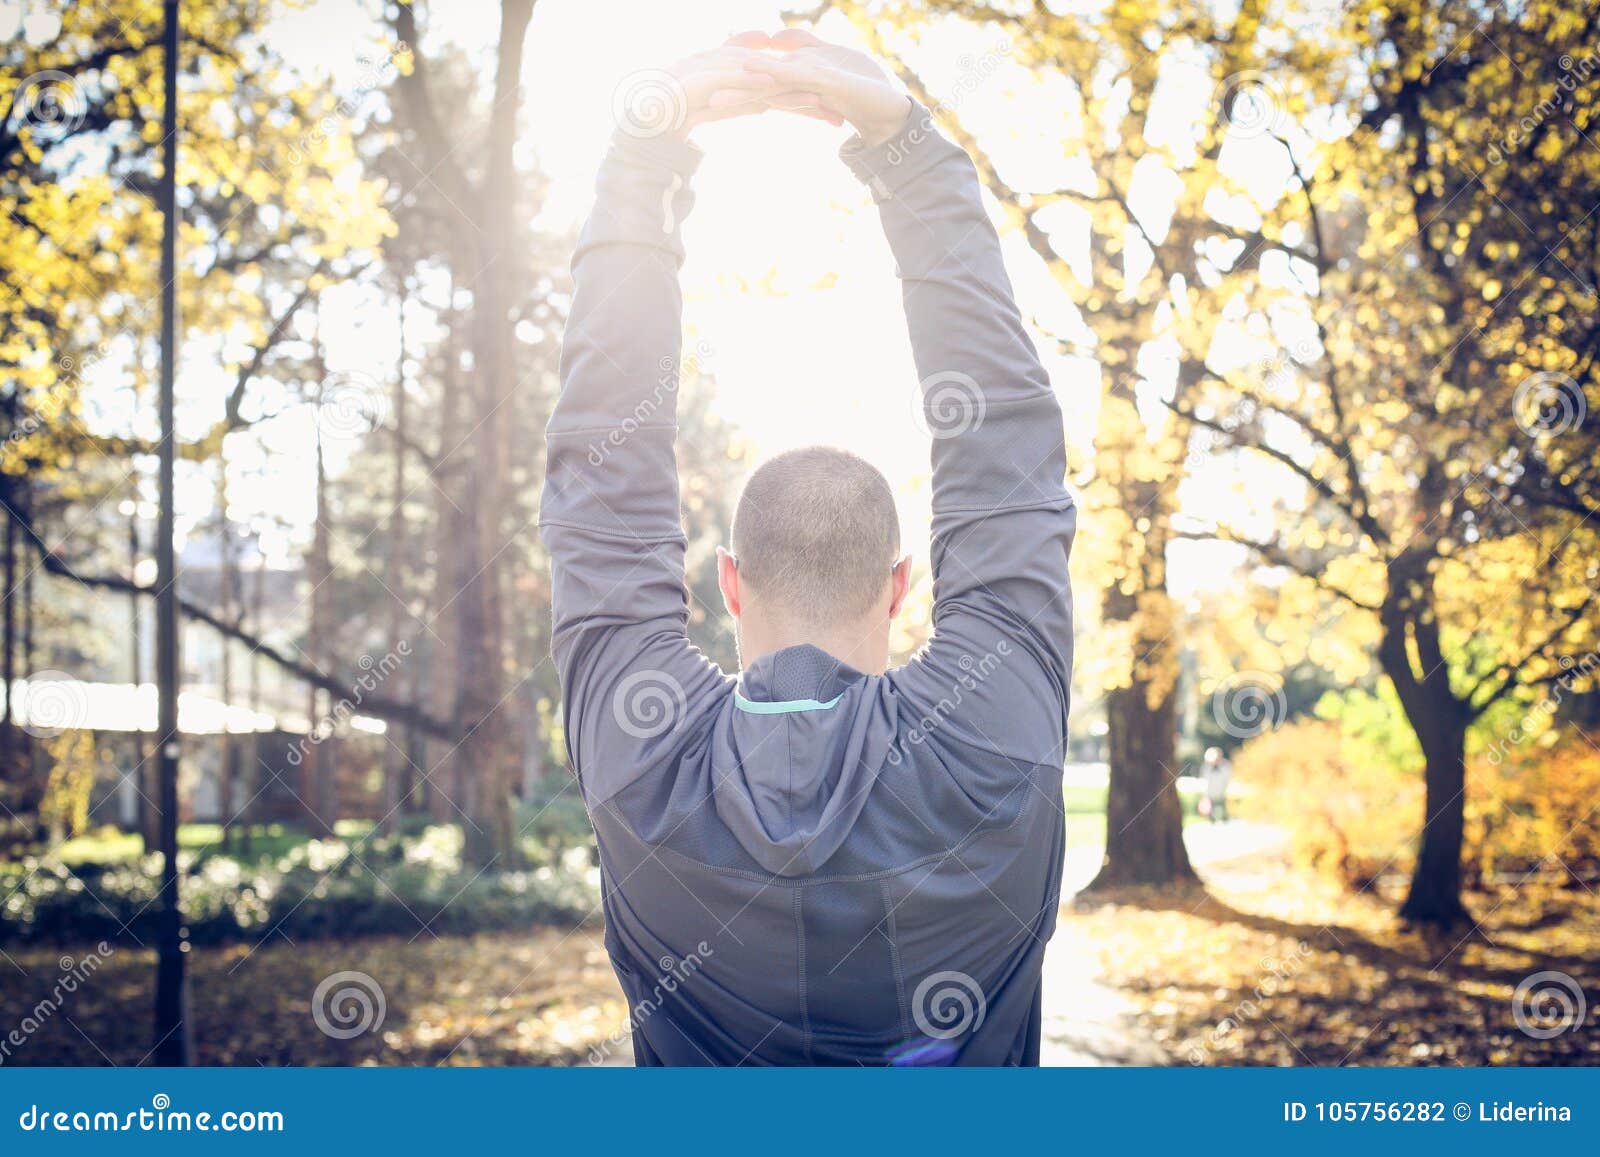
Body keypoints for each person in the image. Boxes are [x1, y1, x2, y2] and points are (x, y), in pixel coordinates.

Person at [539, 30, 1076, 1066]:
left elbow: (603, 475)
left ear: (728, 585)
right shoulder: (992, 737)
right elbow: (1005, 434)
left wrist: (642, 160)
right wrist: (908, 152)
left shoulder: (644, 759)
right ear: (900, 584)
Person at [1201, 747, 1233, 824]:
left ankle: (1224, 819)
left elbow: (1227, 779)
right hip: (1210, 793)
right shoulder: (1205, 768)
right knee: (1211, 808)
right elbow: (1204, 780)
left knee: (1222, 807)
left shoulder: (1226, 766)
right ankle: (1212, 821)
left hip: (1222, 792)